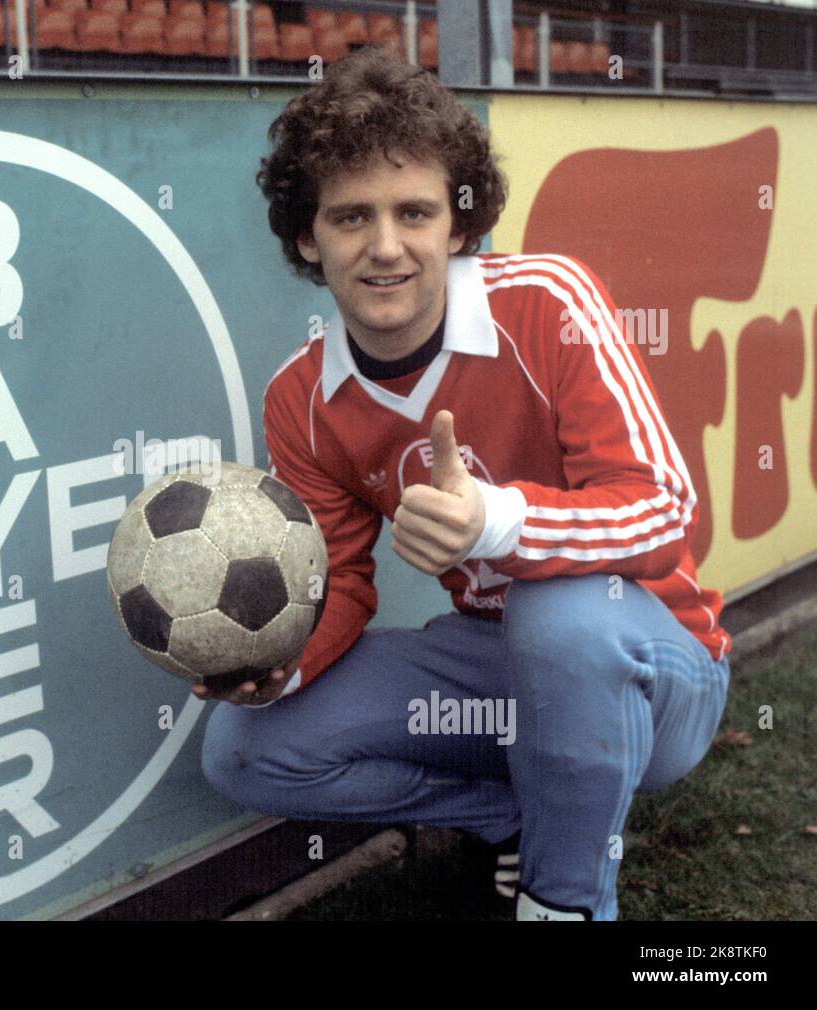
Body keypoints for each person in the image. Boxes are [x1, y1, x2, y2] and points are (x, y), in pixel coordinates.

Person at [195, 47, 732, 921]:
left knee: (554, 612)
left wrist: (494, 523)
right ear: (305, 236)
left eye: (415, 211)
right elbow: (338, 585)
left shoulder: (546, 302)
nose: (385, 247)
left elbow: (663, 509)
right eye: (349, 217)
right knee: (245, 750)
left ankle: (562, 904)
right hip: (502, 679)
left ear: (457, 226)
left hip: (651, 671)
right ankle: (514, 815)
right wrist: (276, 666)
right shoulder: (302, 397)